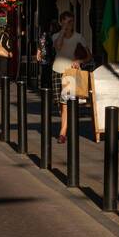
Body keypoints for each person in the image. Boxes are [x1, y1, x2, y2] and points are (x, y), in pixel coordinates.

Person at [51, 12, 89, 144]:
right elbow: (58, 46)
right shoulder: (56, 36)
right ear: (61, 22)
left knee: (65, 103)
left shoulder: (79, 37)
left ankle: (62, 133)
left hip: (70, 73)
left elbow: (89, 55)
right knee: (61, 104)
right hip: (57, 71)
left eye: (71, 22)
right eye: (67, 22)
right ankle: (66, 127)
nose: (69, 24)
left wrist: (79, 61)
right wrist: (63, 31)